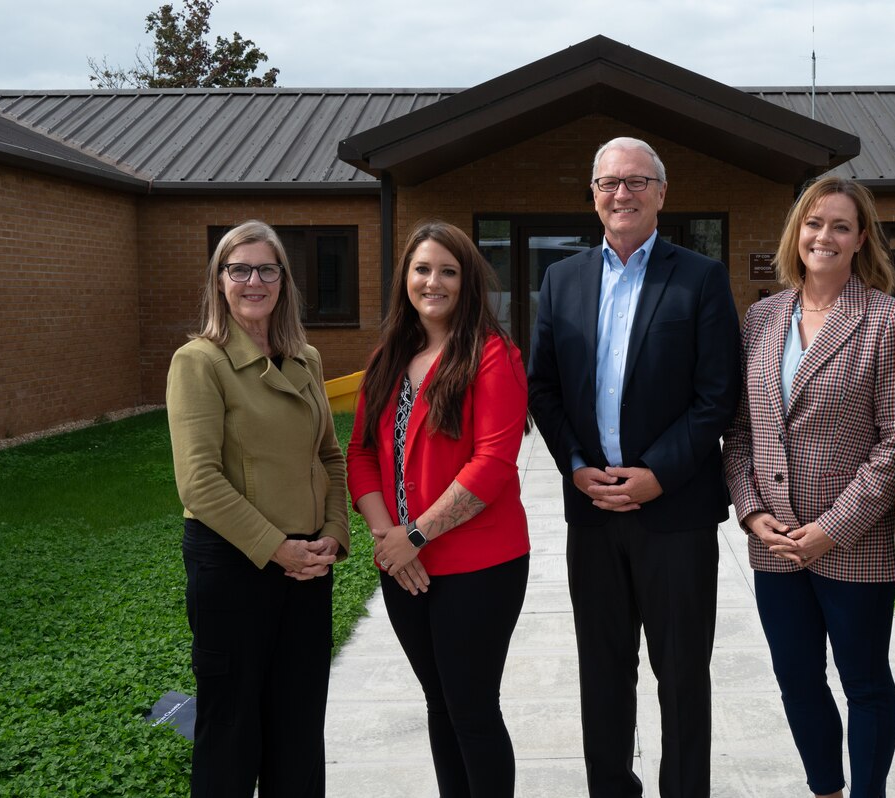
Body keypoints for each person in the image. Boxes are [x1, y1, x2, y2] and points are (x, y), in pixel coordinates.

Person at [527, 136, 741, 798]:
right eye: (608, 183)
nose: (622, 193)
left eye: (636, 182)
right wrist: (576, 467)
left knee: (680, 676)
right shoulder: (561, 281)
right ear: (593, 196)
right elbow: (544, 388)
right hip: (591, 514)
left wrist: (656, 474)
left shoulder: (700, 278)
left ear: (662, 194)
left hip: (673, 514)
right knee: (603, 670)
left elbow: (718, 396)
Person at [722, 176, 895, 798]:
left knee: (862, 681)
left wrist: (831, 529)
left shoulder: (888, 322)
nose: (824, 236)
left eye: (840, 225)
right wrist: (752, 513)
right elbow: (740, 431)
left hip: (852, 541)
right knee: (798, 680)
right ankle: (826, 789)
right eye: (813, 223)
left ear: (862, 238)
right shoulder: (761, 318)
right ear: (796, 233)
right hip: (775, 541)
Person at [346, 220, 530, 798]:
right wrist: (388, 540)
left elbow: (493, 465)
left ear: (467, 282)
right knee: (438, 704)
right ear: (405, 277)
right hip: (404, 567)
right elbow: (360, 456)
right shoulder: (387, 357)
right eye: (422, 269)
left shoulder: (492, 355)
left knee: (471, 708)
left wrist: (415, 537)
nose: (433, 282)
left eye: (448, 271)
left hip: (479, 567)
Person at [166, 220, 349, 797]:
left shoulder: (307, 359)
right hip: (234, 567)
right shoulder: (199, 362)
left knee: (298, 728)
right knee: (231, 729)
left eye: (266, 269)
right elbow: (200, 483)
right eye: (238, 269)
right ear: (219, 281)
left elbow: (331, 456)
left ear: (284, 281)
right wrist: (279, 550)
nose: (253, 280)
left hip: (307, 569)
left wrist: (333, 535)